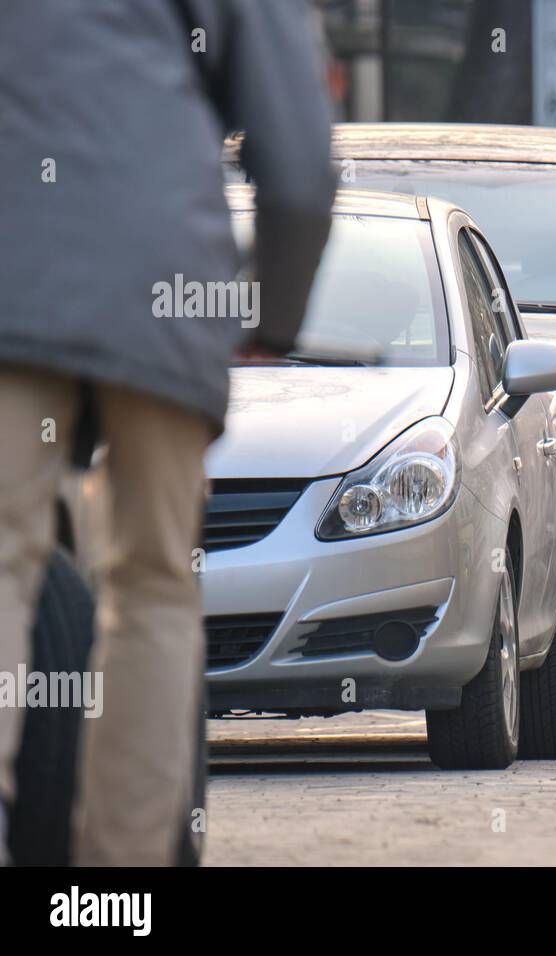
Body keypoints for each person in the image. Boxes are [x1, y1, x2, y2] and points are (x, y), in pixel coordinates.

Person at [0, 0, 336, 864]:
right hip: (164, 283)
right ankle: (120, 884)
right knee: (153, 583)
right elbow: (299, 164)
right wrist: (272, 315)